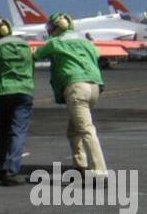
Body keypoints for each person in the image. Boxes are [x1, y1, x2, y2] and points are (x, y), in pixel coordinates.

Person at [33, 13, 108, 176]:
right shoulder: (86, 41)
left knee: (86, 129)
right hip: (94, 86)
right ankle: (79, 164)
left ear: (55, 28)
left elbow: (36, 55)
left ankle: (99, 172)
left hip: (76, 86)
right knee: (74, 130)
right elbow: (97, 55)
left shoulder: (55, 42)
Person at [0, 16, 35, 185]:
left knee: (2, 130)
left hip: (3, 92)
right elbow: (31, 66)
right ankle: (11, 170)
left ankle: (3, 167)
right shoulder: (25, 45)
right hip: (24, 91)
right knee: (18, 131)